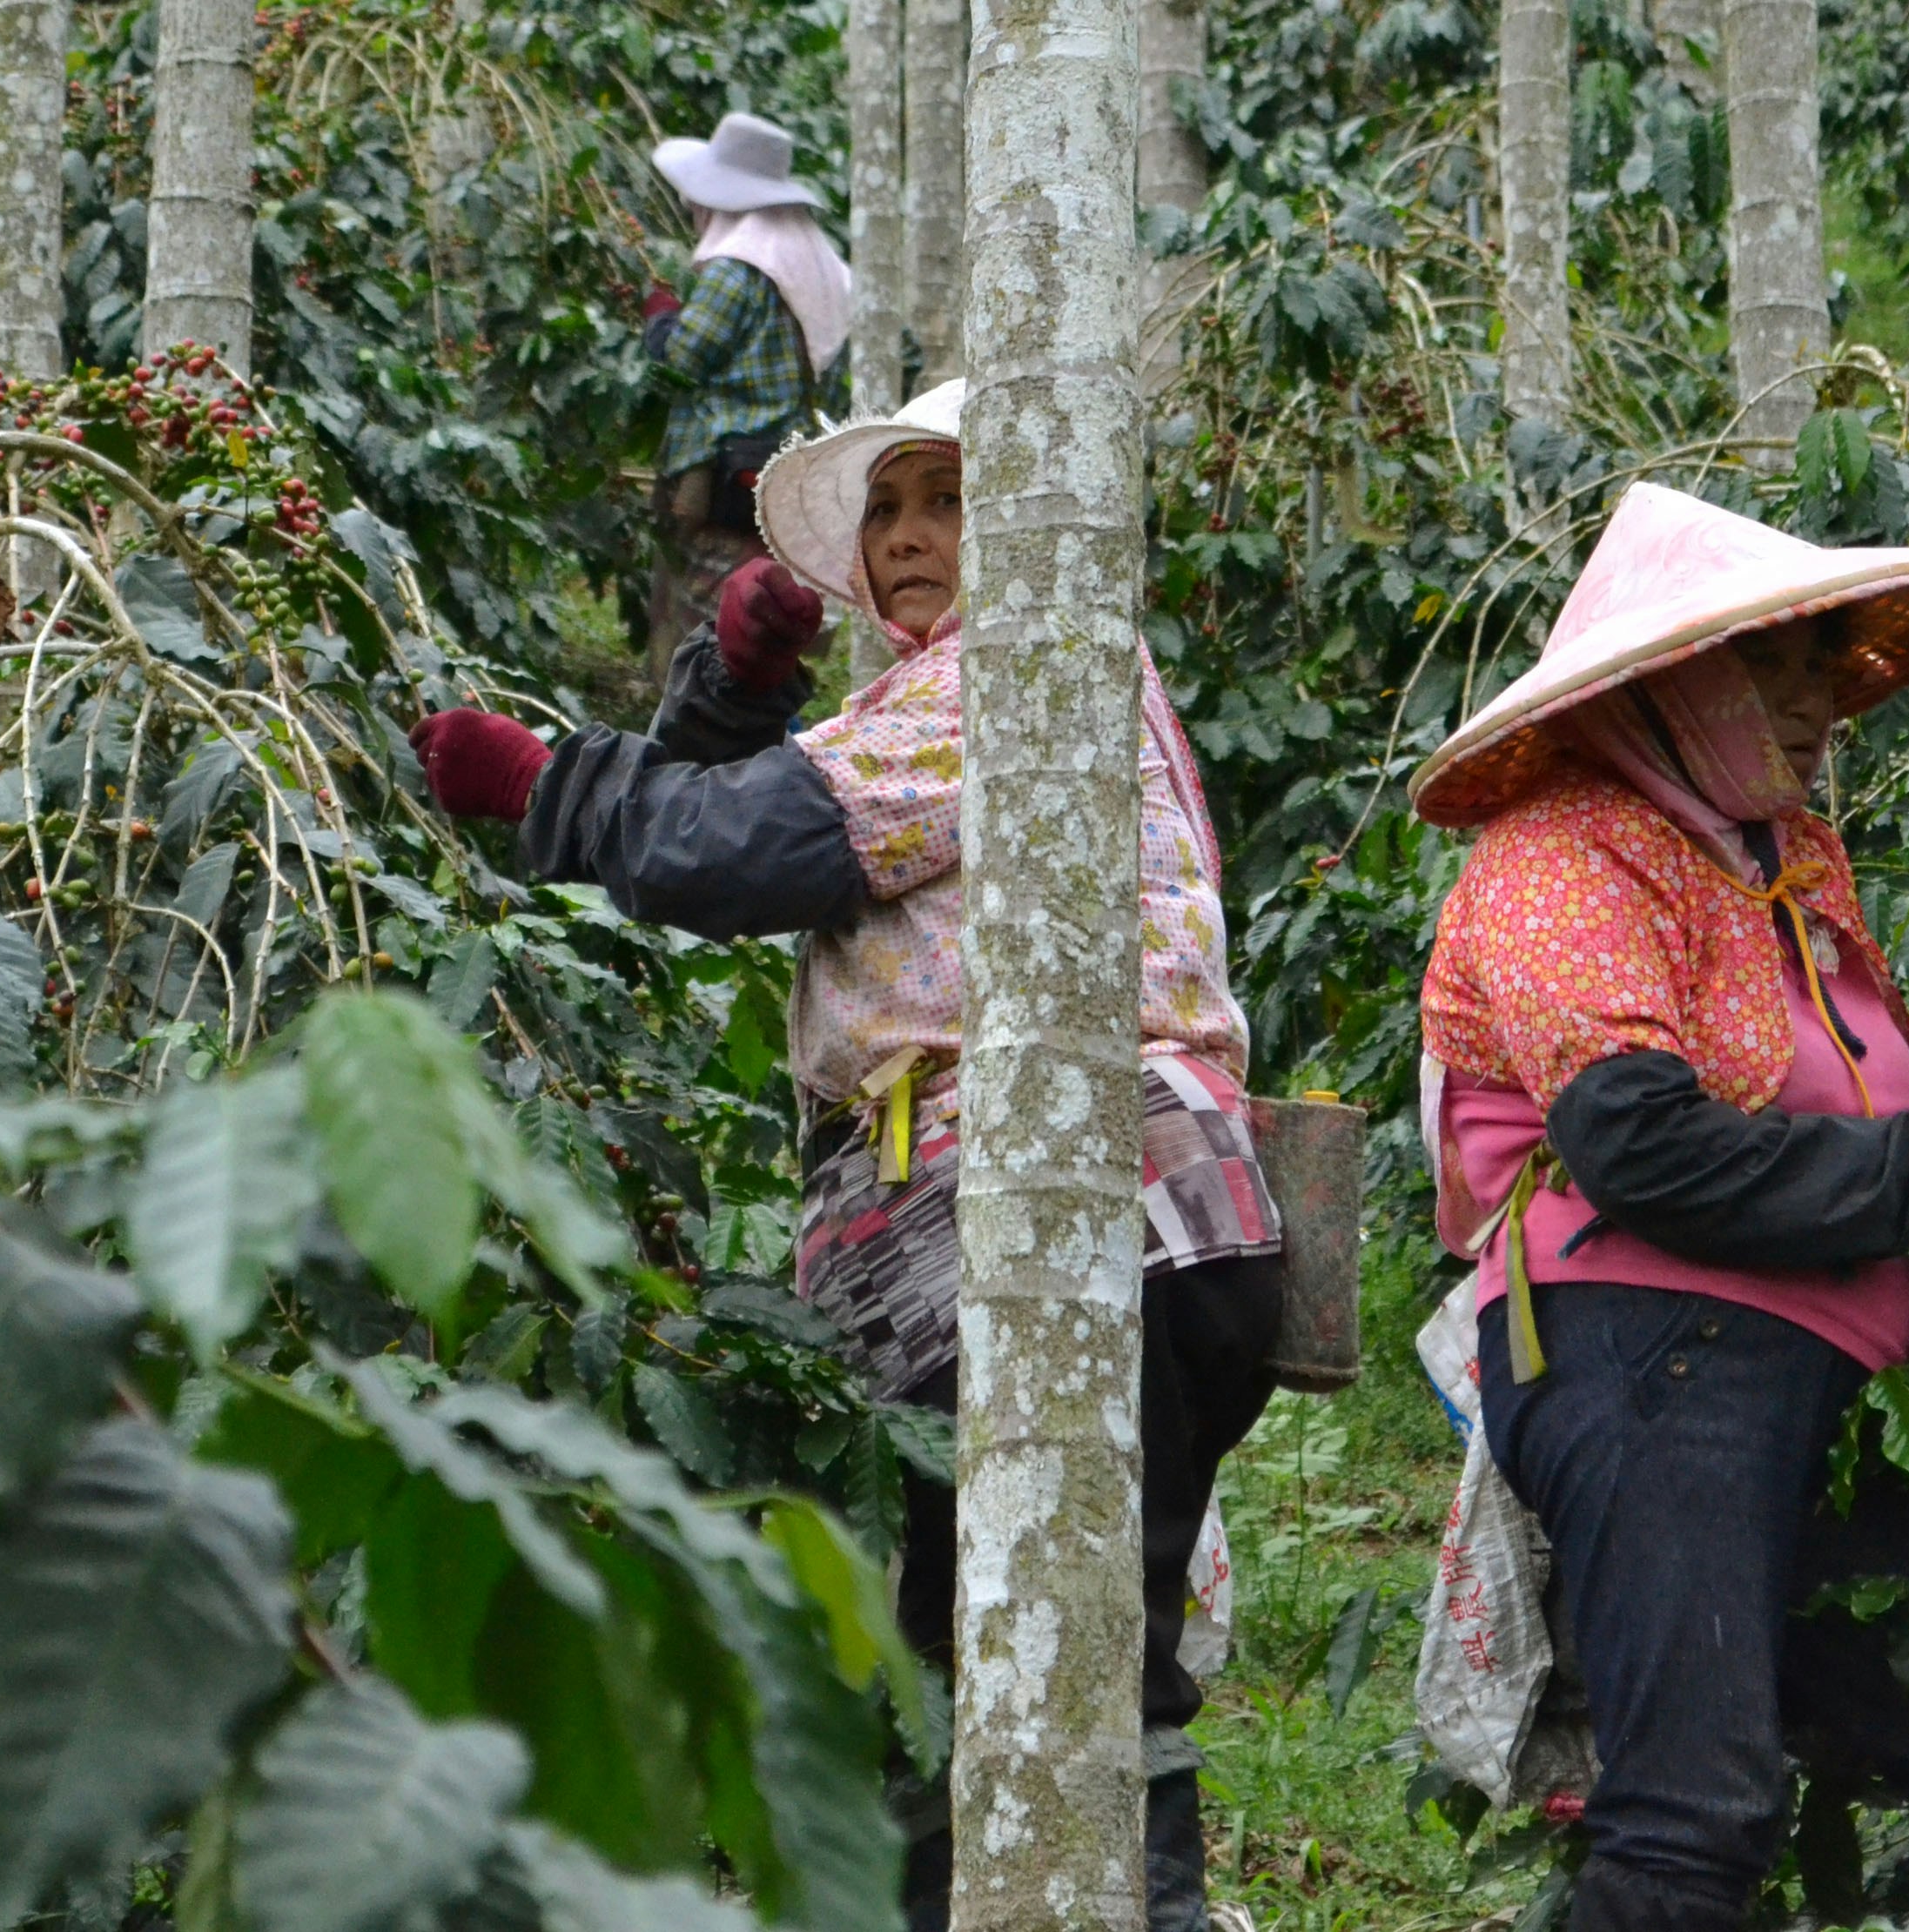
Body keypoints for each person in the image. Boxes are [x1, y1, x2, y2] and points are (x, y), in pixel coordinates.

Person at [407, 379, 1282, 1932]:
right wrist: (733, 694)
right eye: (884, 513)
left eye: (945, 503)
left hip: (1057, 1221)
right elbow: (754, 803)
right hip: (1147, 1223)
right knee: (1048, 1660)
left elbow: (734, 853)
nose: (905, 540)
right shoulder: (970, 699)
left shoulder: (1019, 676)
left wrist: (549, 786)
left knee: (1003, 1680)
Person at [1410, 482, 1909, 1932]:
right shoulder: (1558, 852)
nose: (1813, 699)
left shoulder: (1783, 869)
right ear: (1664, 681)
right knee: (1690, 1822)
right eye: (1768, 661)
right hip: (1655, 1364)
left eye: (1821, 662)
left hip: (1807, 1386)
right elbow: (1646, 1152)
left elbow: (1826, 1139)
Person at [640, 111, 851, 671]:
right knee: (762, 617)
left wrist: (660, 319)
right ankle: (771, 723)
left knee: (708, 626)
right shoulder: (820, 262)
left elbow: (683, 361)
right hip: (788, 470)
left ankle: (704, 731)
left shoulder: (739, 265)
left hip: (725, 475)